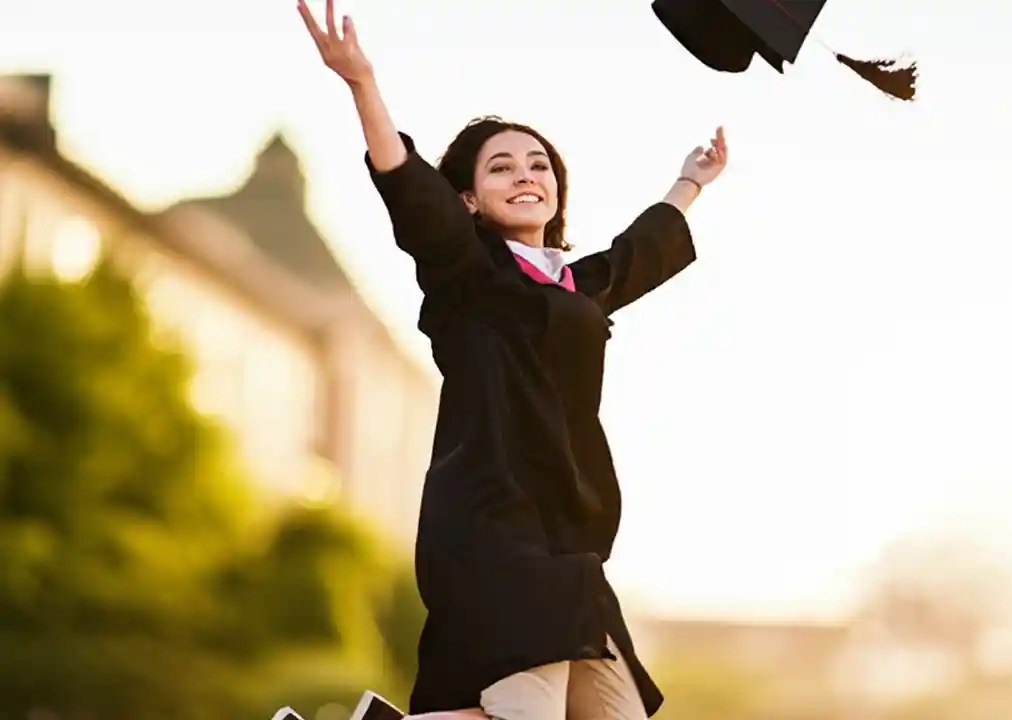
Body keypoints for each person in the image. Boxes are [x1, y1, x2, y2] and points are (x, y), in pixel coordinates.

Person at [297, 1, 728, 718]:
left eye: (538, 164)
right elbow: (410, 190)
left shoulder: (570, 286)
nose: (525, 175)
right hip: (495, 531)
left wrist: (691, 182)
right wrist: (362, 85)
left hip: (569, 546)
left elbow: (634, 260)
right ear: (468, 197)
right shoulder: (466, 273)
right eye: (501, 167)